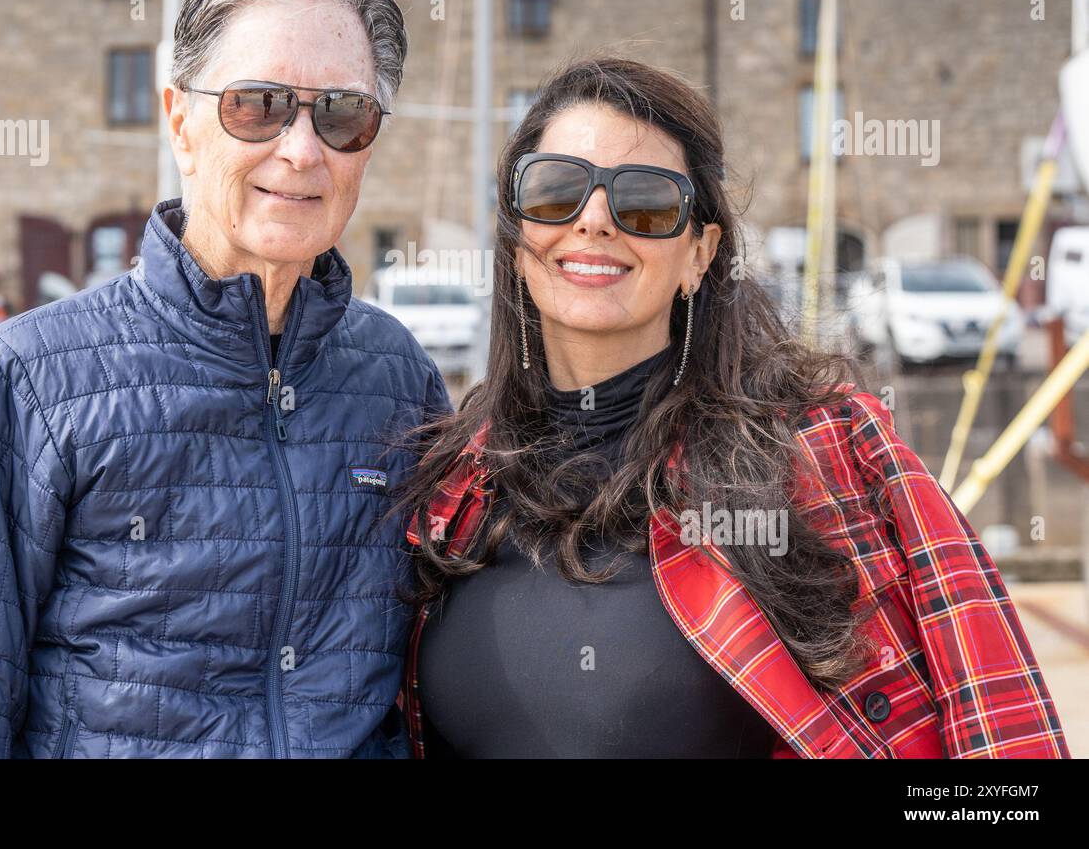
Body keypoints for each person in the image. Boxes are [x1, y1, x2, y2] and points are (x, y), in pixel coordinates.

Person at [396, 57, 1070, 759]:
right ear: (516, 240)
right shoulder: (453, 483)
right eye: (556, 190)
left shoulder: (833, 454)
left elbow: (1007, 744)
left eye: (647, 201)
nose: (594, 219)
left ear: (699, 253)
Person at [0, 0, 450, 758]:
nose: (302, 150)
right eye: (258, 105)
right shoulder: (28, 379)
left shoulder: (399, 378)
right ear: (180, 120)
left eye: (340, 113)